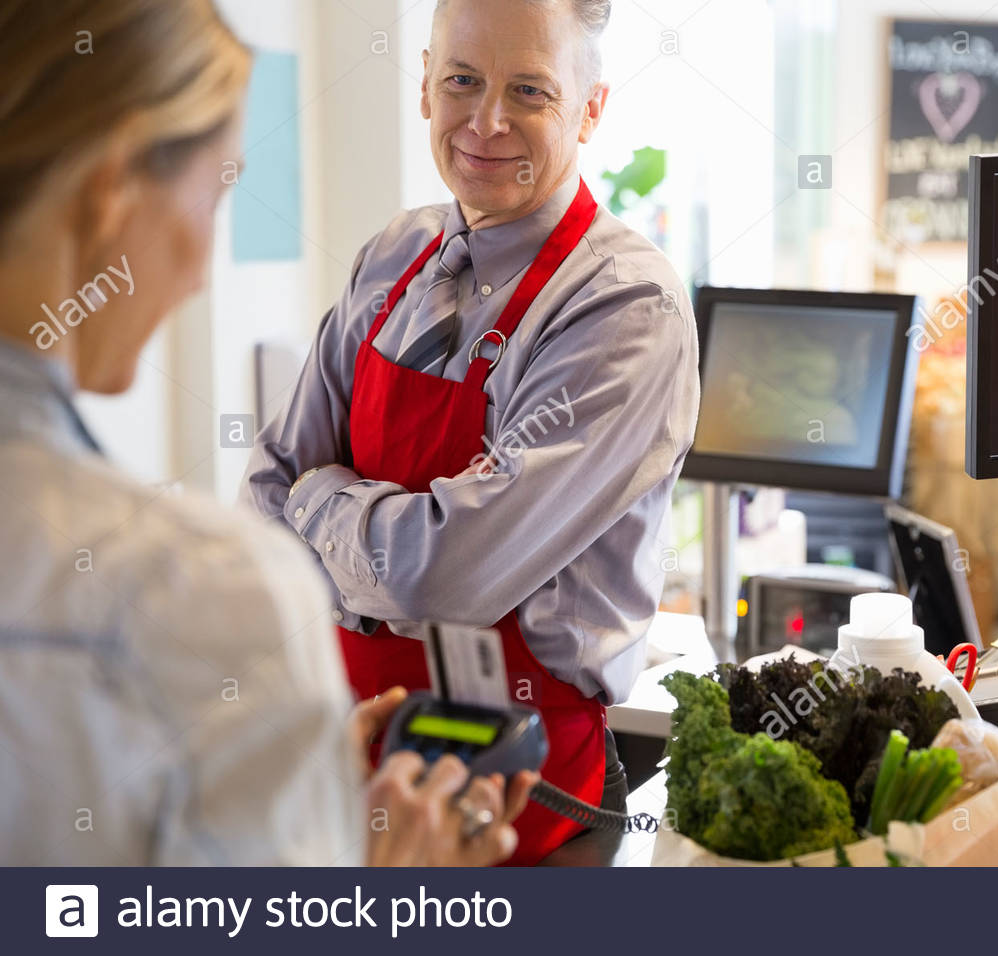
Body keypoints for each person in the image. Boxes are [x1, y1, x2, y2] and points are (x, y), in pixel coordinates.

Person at [0, 0, 533, 866]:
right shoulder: (202, 589)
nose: (203, 271)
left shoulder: (622, 304)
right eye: (214, 195)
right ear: (110, 189)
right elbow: (299, 501)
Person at [242, 0, 700, 866]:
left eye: (530, 89)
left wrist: (323, 498)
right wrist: (365, 528)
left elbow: (442, 576)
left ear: (591, 109)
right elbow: (264, 495)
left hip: (521, 800)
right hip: (354, 772)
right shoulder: (394, 255)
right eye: (462, 81)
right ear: (424, 84)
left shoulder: (623, 307)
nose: (487, 121)